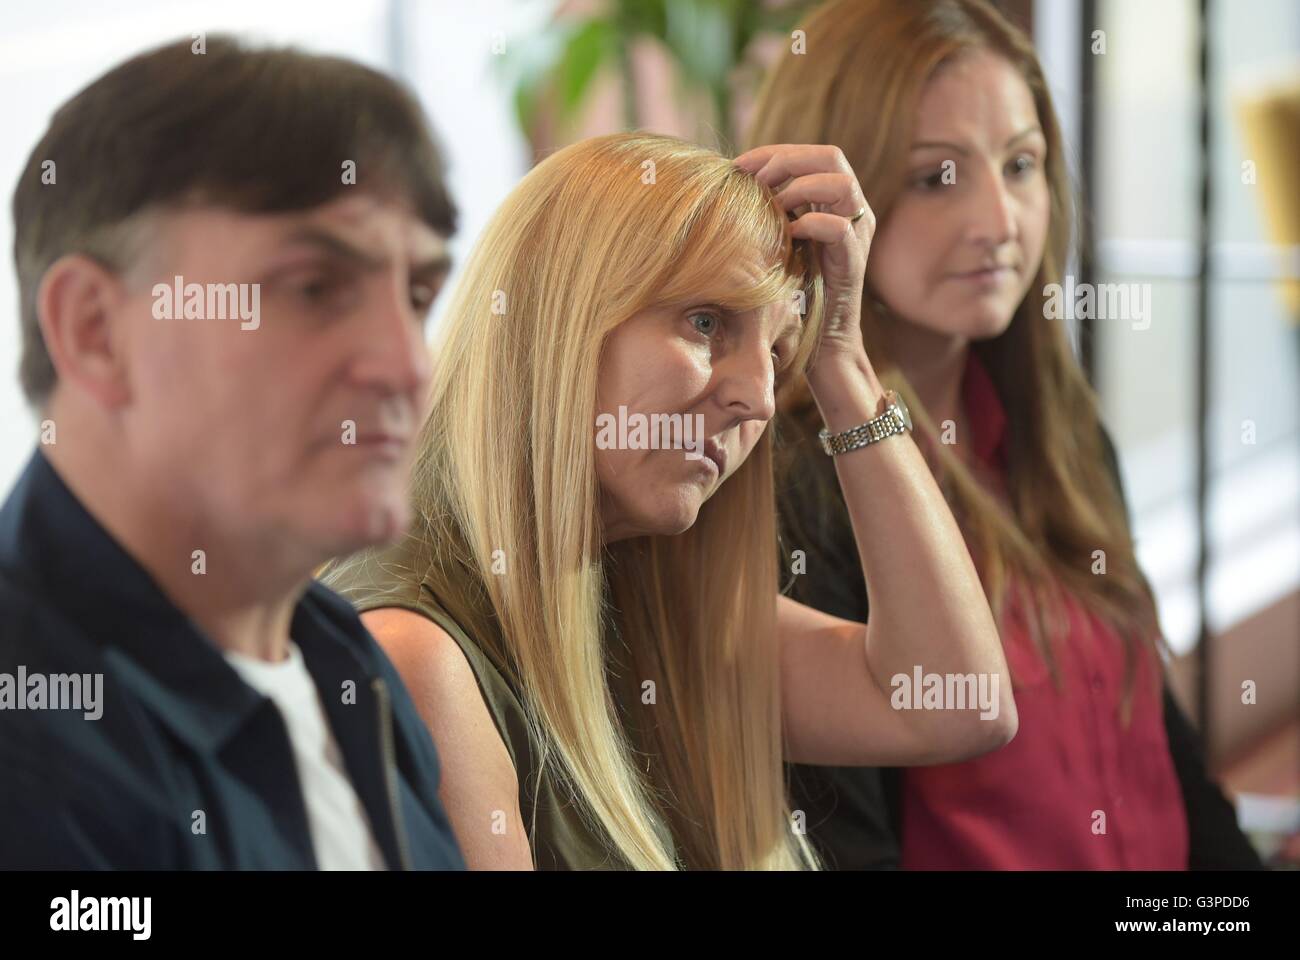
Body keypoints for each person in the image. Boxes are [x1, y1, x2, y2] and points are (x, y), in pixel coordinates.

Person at [323, 131, 1018, 870]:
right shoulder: (420, 655)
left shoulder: (632, 583)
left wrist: (841, 358)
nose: (755, 397)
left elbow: (958, 705)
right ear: (557, 317)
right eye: (707, 323)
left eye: (779, 355)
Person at [748, 0, 1262, 869]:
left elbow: (1170, 768)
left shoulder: (1058, 433)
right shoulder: (807, 481)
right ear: (826, 205)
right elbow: (841, 845)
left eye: (1021, 164)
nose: (1001, 221)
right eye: (937, 176)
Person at [0, 35, 464, 870]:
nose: (406, 363)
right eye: (315, 288)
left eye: (418, 294)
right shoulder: (30, 742)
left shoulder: (338, 650)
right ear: (95, 332)